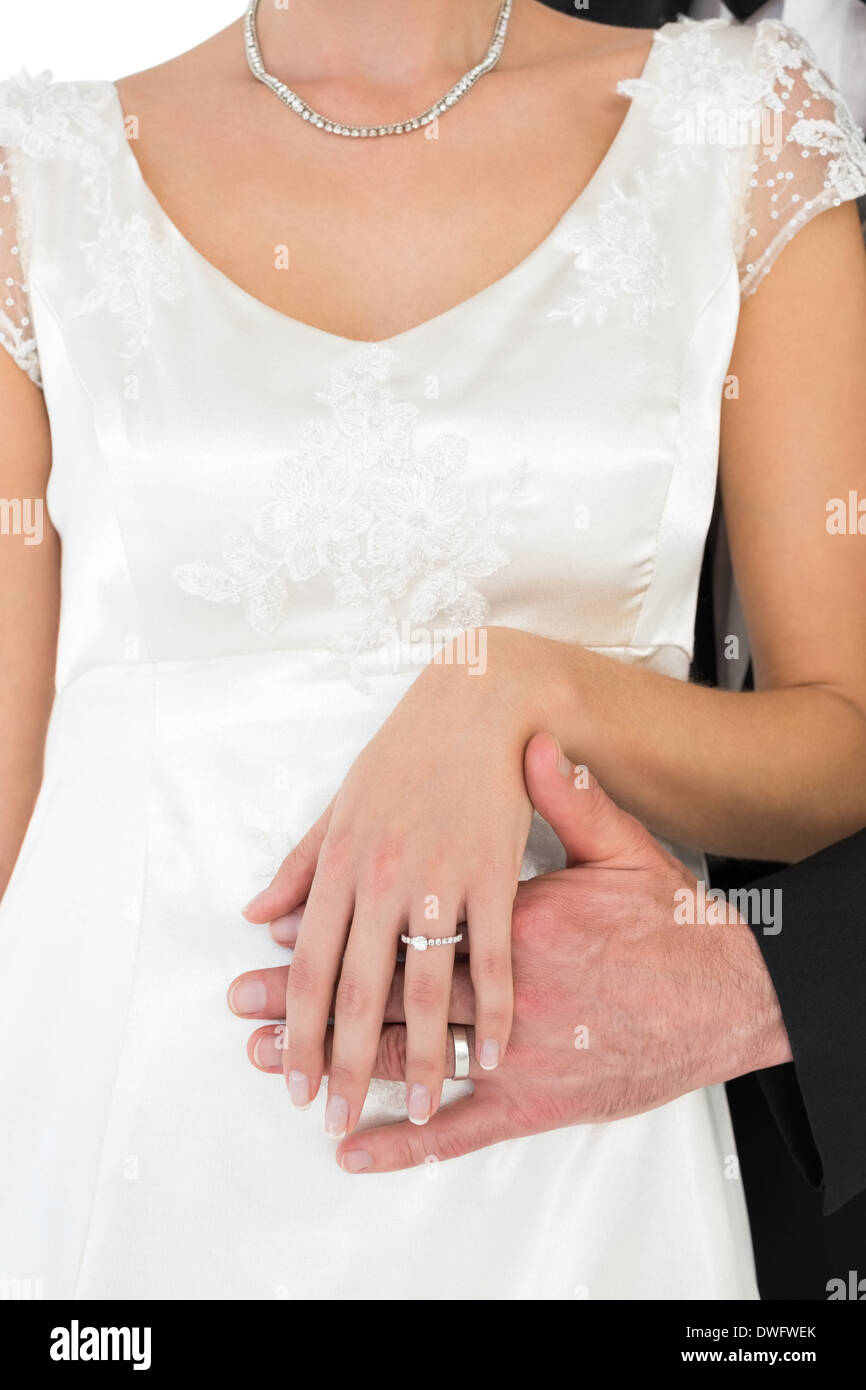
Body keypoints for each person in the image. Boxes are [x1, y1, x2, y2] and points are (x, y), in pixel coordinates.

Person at [1, 1, 865, 1299]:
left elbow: (844, 741)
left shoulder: (739, 125)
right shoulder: (37, 174)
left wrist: (526, 687)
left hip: (575, 1140)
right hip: (129, 1156)